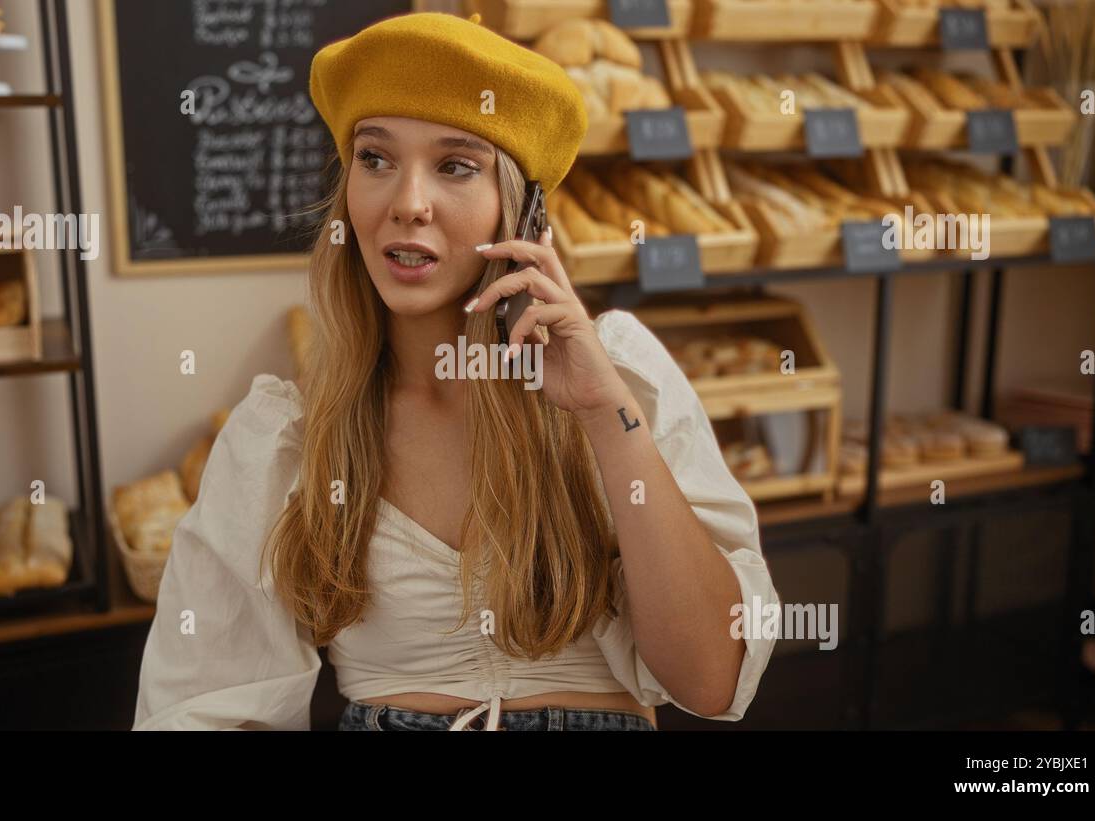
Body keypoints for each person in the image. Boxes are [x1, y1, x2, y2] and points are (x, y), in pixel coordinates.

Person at [133, 10, 779, 732]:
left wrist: (605, 416)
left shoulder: (623, 377)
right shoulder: (287, 434)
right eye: (375, 159)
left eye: (456, 165)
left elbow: (713, 679)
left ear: (525, 211)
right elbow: (207, 705)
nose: (407, 203)